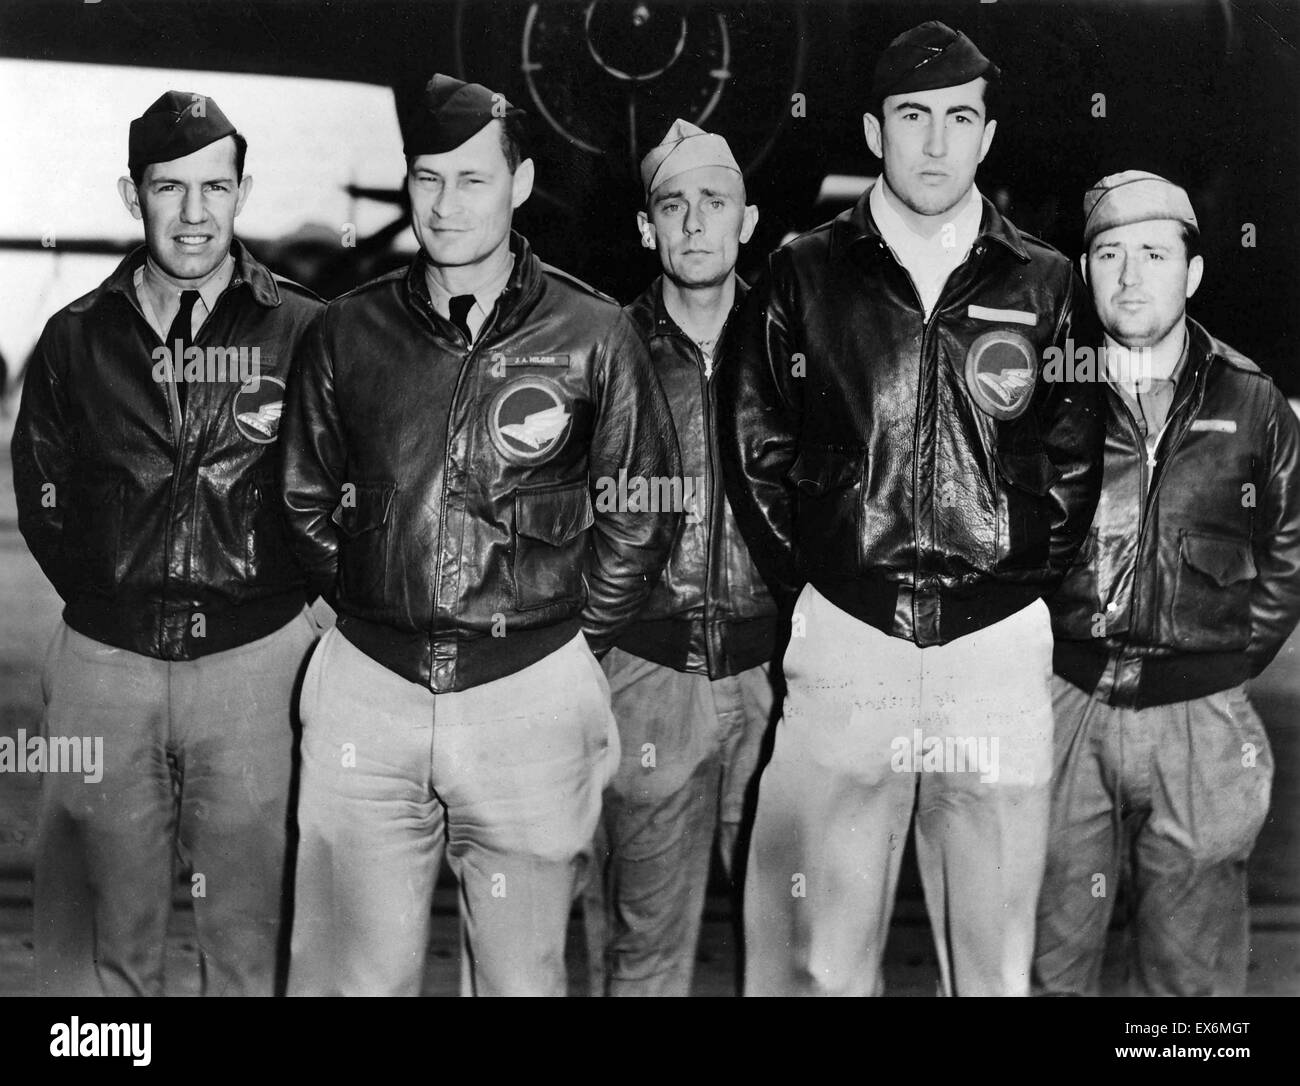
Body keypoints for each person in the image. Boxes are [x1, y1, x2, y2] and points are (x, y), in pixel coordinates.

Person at [718, 21, 1104, 996]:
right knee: (813, 953)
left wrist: (1011, 583)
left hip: (993, 650)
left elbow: (1071, 459)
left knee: (993, 959)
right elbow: (756, 451)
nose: (935, 142)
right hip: (848, 640)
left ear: (986, 134)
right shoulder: (803, 273)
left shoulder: (1046, 282)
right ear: (872, 129)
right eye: (913, 117)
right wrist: (817, 589)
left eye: (958, 118)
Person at [279, 74, 680, 997]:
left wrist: (574, 645)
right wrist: (381, 604)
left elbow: (642, 504)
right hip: (370, 690)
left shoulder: (594, 330)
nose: (446, 203)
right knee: (346, 977)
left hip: (529, 689)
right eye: (427, 179)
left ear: (522, 183)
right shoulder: (348, 331)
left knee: (522, 978)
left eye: (471, 179)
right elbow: (303, 498)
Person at [11, 90, 323, 995]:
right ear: (130, 194)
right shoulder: (74, 339)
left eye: (215, 188)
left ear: (242, 190)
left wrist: (282, 607)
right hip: (107, 660)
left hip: (258, 661)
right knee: (96, 934)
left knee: (256, 930)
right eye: (168, 189)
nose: (194, 214)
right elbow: (45, 498)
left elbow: (341, 488)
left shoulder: (305, 332)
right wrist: (116, 595)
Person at [1034, 171, 1300, 996]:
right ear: (1085, 272)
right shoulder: (1046, 396)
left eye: (1154, 254)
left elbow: (1286, 557)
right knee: (1046, 962)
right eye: (1108, 254)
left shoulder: (1251, 402)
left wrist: (1214, 669)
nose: (1129, 275)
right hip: (1061, 708)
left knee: (1191, 982)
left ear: (1192, 274)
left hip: (1202, 721)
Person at [583, 120, 779, 996]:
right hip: (648, 676)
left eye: (714, 203)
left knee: (803, 944)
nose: (694, 224)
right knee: (646, 947)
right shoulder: (600, 350)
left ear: (749, 220)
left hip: (781, 678)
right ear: (644, 227)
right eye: (673, 206)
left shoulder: (795, 349)